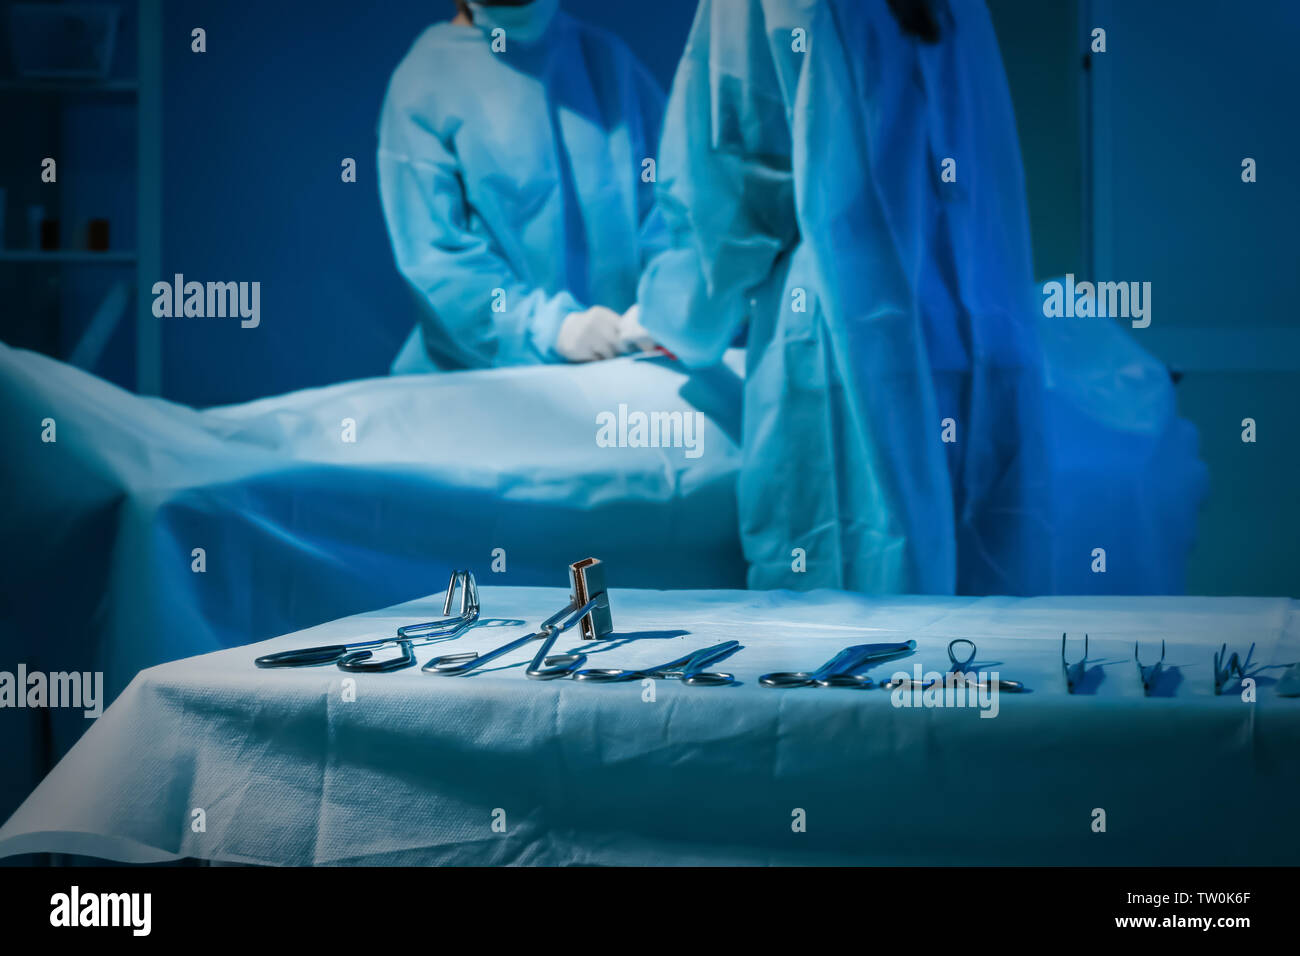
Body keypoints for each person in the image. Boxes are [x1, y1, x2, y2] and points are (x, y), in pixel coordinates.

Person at [635, 0, 1056, 594]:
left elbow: (740, 180)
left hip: (845, 350)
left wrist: (673, 316)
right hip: (976, 341)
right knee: (987, 642)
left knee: (851, 632)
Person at [379, 0, 662, 371]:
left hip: (620, 376)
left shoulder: (607, 62)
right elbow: (440, 265)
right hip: (478, 388)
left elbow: (674, 211)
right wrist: (548, 330)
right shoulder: (426, 83)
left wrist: (666, 301)